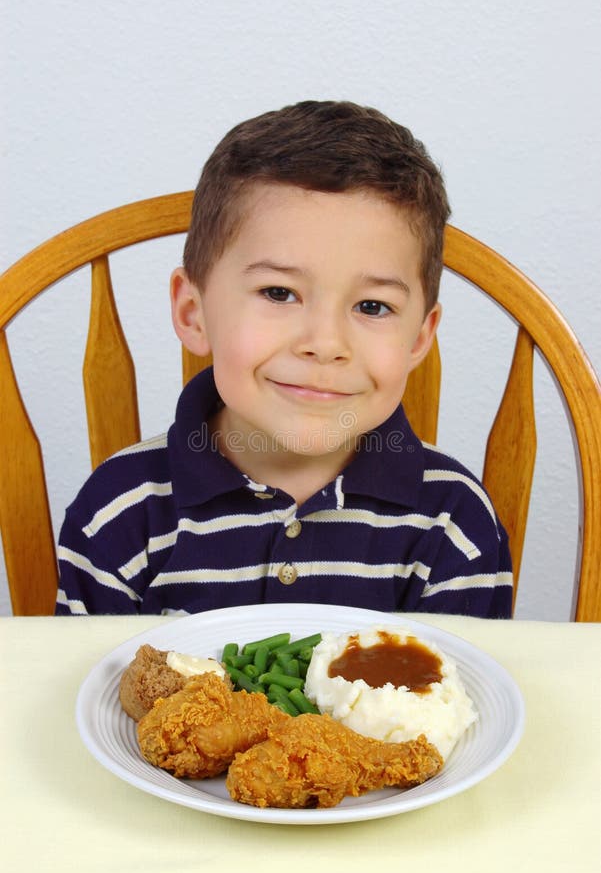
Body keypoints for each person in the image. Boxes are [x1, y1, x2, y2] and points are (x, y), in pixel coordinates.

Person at [56, 100, 513, 618]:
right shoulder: (119, 512)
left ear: (417, 340)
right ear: (193, 312)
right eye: (278, 293)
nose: (324, 342)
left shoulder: (454, 524)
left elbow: (467, 695)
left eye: (372, 306)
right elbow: (88, 695)